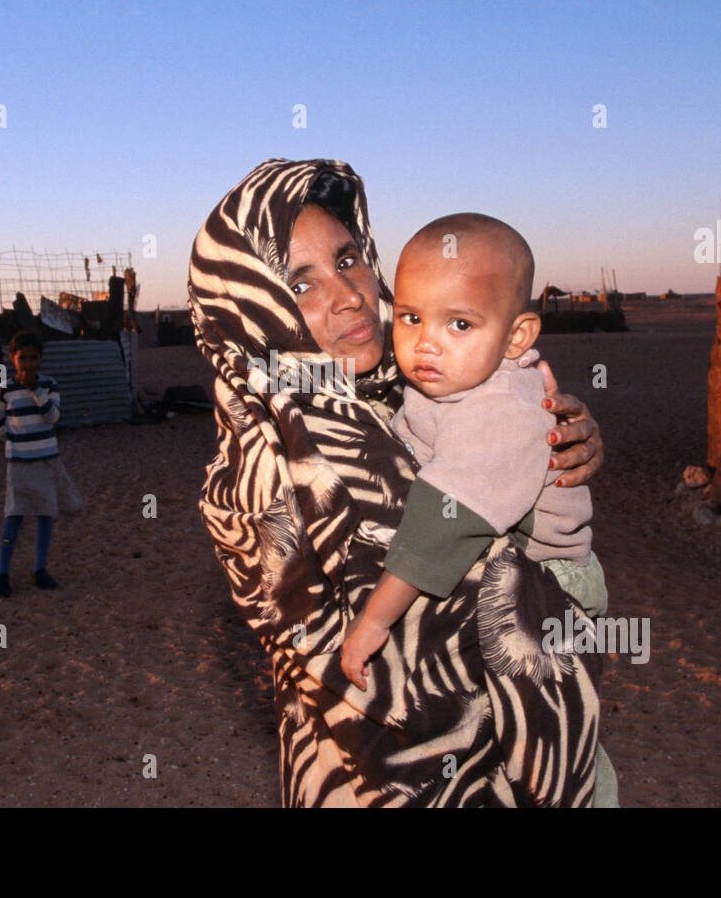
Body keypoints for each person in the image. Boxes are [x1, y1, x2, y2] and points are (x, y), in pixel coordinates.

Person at [189, 159, 607, 806]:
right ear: (253, 309)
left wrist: (552, 439)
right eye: (300, 284)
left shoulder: (386, 390)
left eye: (349, 257)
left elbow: (479, 437)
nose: (350, 293)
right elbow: (455, 627)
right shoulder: (285, 465)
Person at [339, 213, 617, 806]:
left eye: (459, 323)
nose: (426, 342)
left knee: (557, 754)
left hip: (550, 587)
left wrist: (374, 620)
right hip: (502, 572)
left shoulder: (501, 408)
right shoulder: (448, 376)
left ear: (517, 338)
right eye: (411, 317)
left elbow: (445, 524)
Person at [0, 331, 83, 597]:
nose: (28, 364)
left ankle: (40, 568)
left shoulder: (49, 385)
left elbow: (52, 417)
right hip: (19, 463)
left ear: (40, 359)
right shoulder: (5, 389)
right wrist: (18, 440)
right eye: (23, 359)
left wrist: (36, 391)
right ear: (12, 359)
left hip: (46, 461)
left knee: (45, 514)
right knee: (14, 515)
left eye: (34, 358)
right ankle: (2, 573)